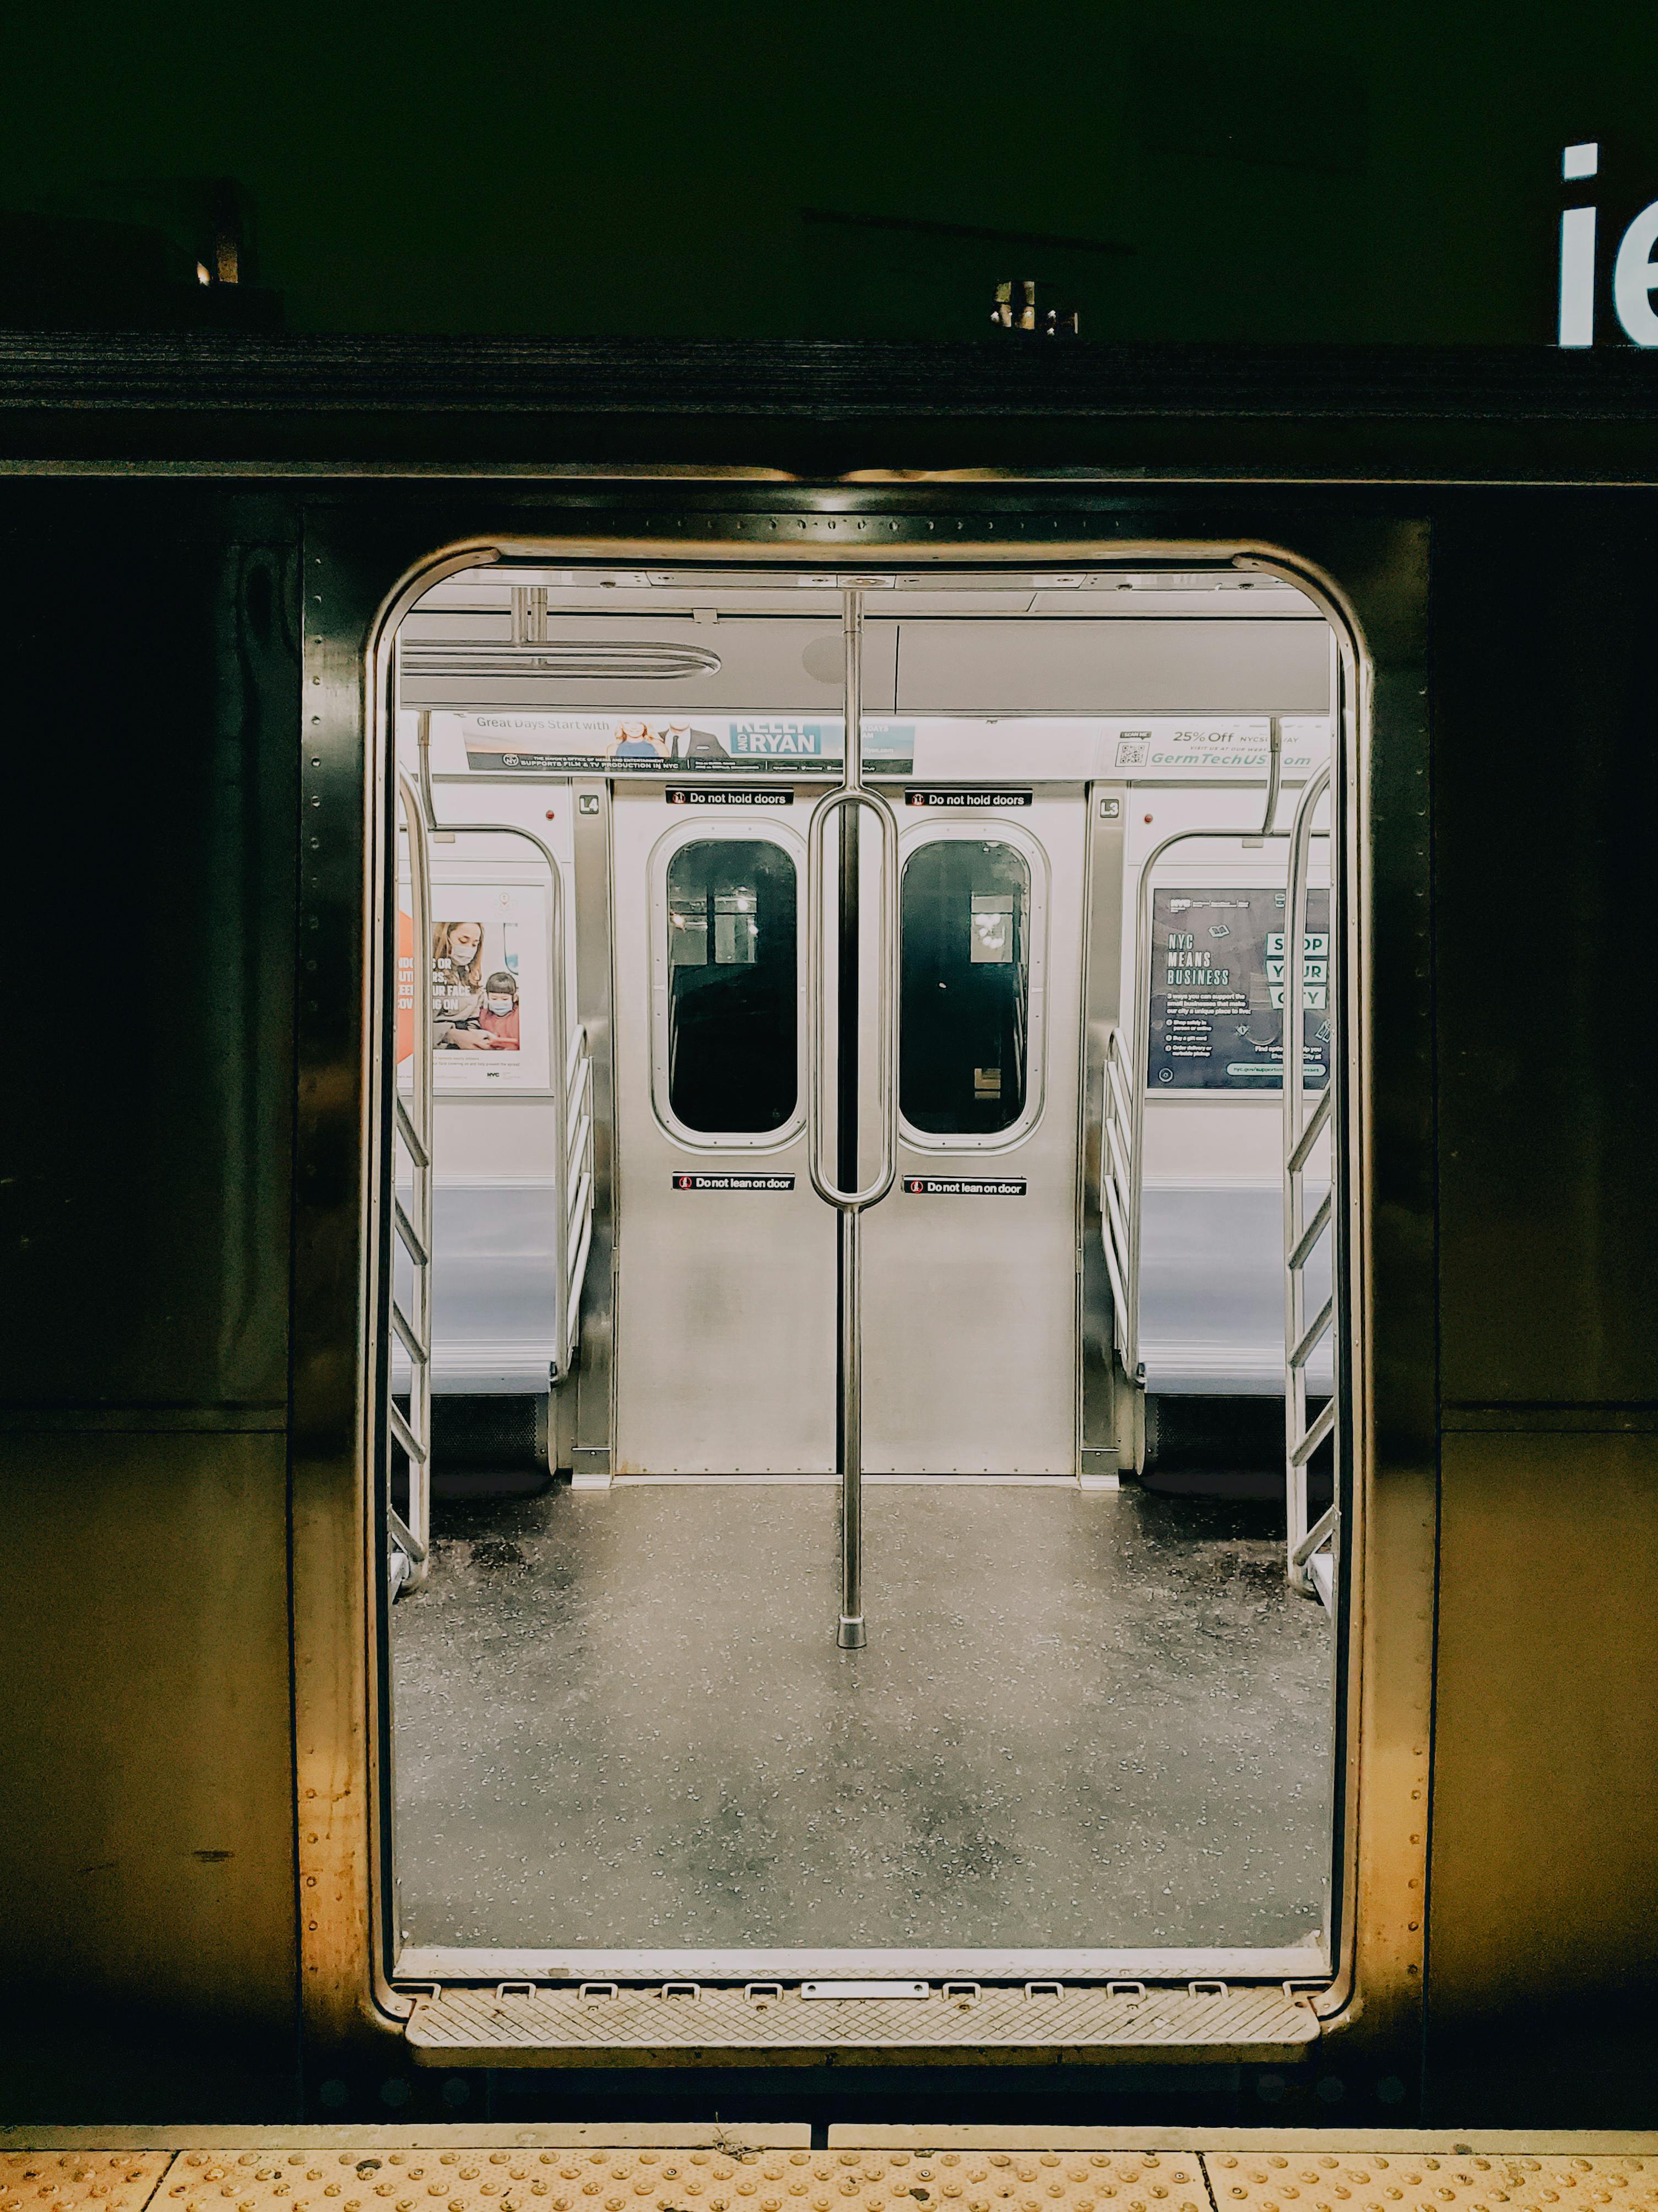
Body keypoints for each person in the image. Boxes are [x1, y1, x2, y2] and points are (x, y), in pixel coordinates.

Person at [431, 919, 497, 1049]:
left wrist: (475, 1034)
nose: (469, 949)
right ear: (445, 937)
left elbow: (473, 1017)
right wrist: (451, 1035)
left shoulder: (472, 977)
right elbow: (414, 1027)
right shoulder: (430, 974)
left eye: (474, 945)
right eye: (463, 941)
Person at [478, 969, 520, 1048]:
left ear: (514, 998)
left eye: (504, 999)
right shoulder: (484, 1016)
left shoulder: (519, 1014)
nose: (499, 1002)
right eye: (494, 999)